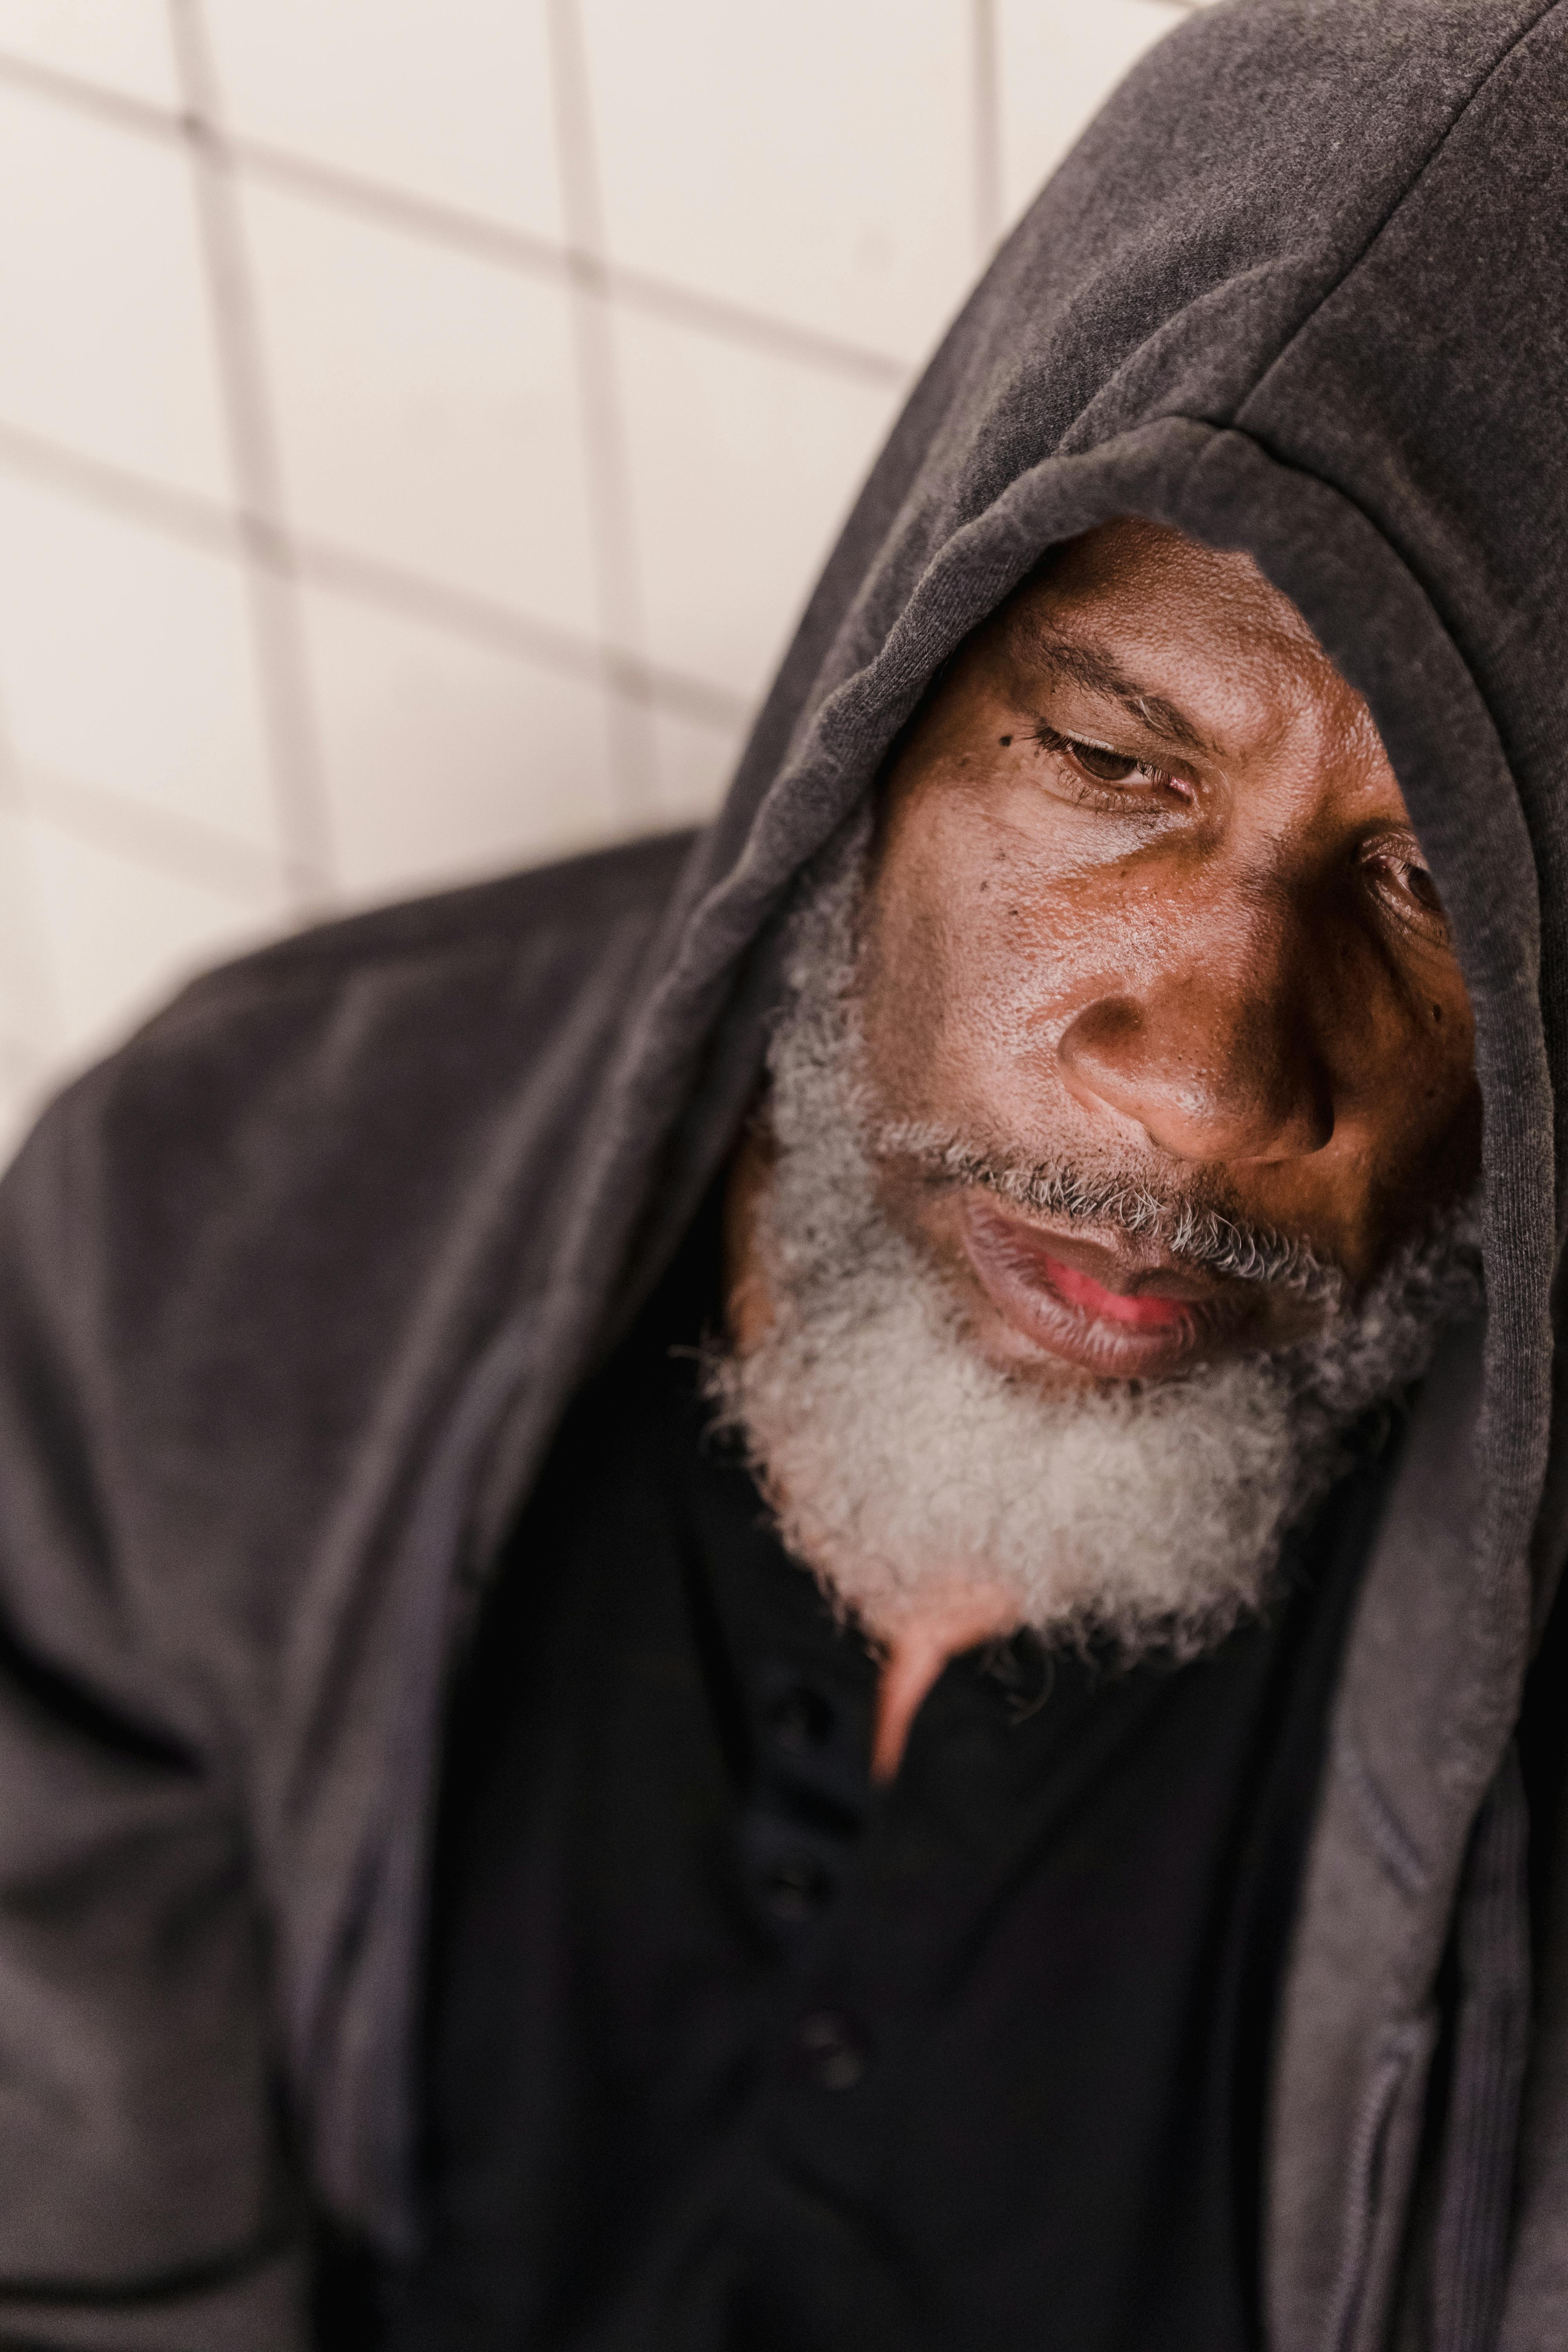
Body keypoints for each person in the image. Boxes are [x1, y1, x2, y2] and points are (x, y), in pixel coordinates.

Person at [0, 0, 1563, 2344]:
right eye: (1118, 758)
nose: (1205, 1081)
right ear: (890, 678)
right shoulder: (234, 1208)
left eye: (1445, 886)